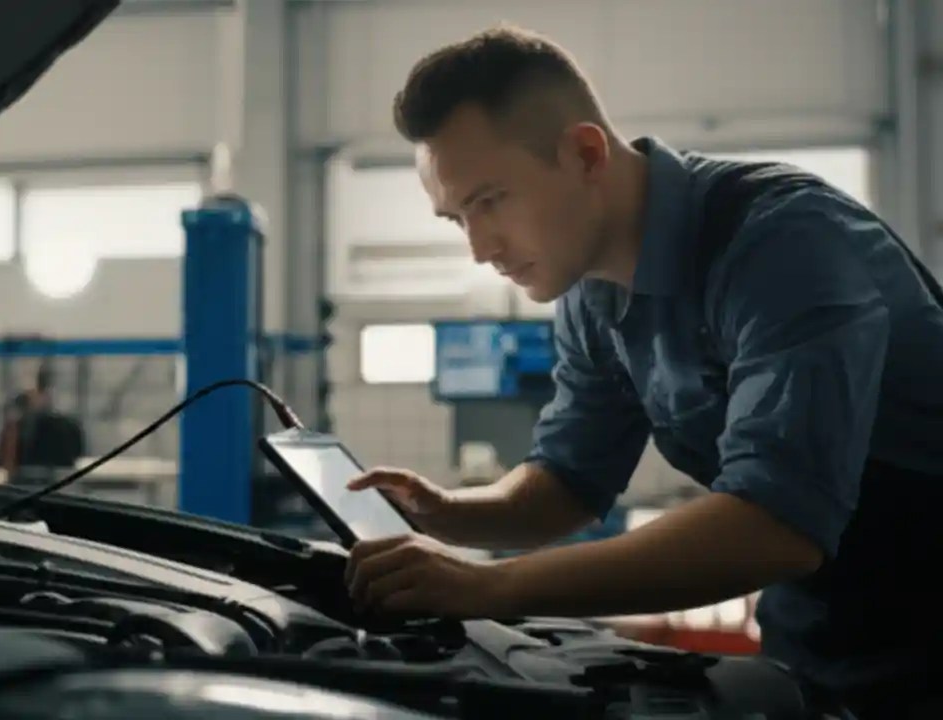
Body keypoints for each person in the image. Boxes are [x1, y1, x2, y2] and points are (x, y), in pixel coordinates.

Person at [342, 25, 943, 718]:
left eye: (490, 200)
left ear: (584, 152)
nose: (479, 249)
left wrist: (493, 587)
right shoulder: (591, 293)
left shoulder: (784, 244)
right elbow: (568, 480)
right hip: (822, 629)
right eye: (456, 219)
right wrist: (449, 515)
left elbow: (775, 524)